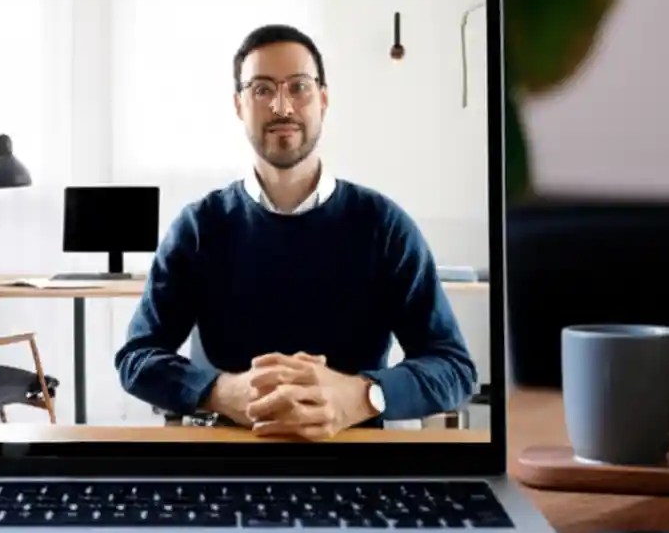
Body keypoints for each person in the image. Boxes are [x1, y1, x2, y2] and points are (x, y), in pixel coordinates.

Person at [113, 23, 477, 441]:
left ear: (323, 99)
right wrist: (219, 391)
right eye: (262, 89)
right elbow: (137, 357)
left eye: (298, 87)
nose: (282, 106)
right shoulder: (199, 227)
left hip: (356, 461)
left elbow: (453, 367)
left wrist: (361, 396)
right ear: (238, 105)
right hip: (229, 457)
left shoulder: (384, 225)